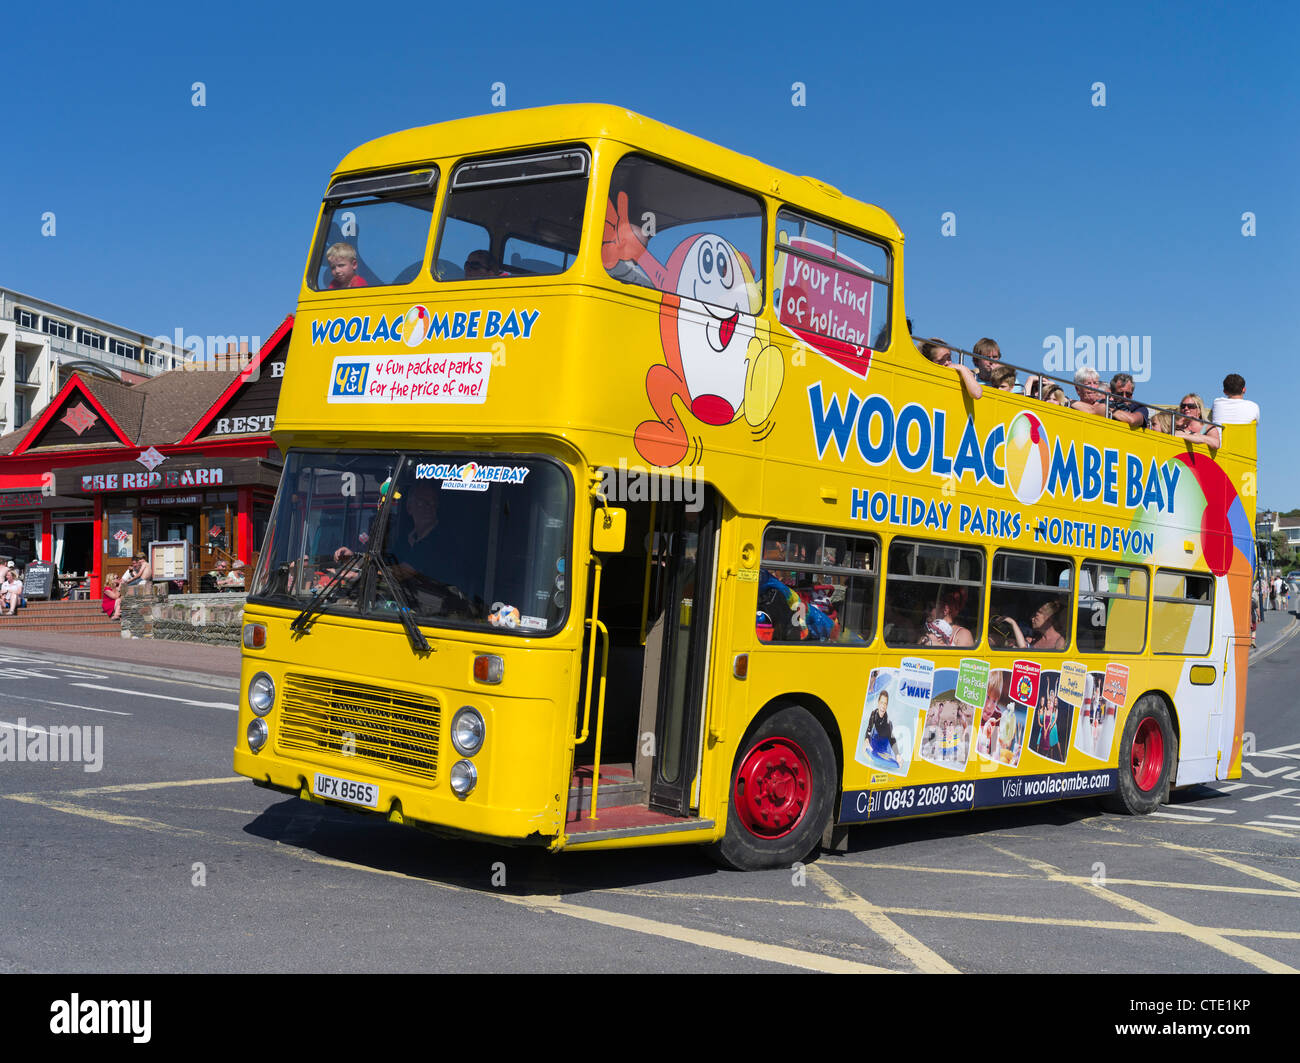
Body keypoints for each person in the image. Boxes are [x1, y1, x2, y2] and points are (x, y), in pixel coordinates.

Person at [995, 598, 1069, 651]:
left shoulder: (1060, 642)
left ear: (1048, 619)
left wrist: (1013, 623)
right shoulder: (1034, 639)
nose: (1031, 619)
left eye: (1035, 616)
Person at [865, 690, 901, 765]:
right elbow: (868, 729)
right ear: (878, 703)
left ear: (887, 706)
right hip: (877, 732)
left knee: (887, 733)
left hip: (885, 737)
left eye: (885, 704)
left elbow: (892, 739)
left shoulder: (887, 724)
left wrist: (897, 754)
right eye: (881, 702)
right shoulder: (873, 714)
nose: (883, 706)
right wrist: (867, 739)